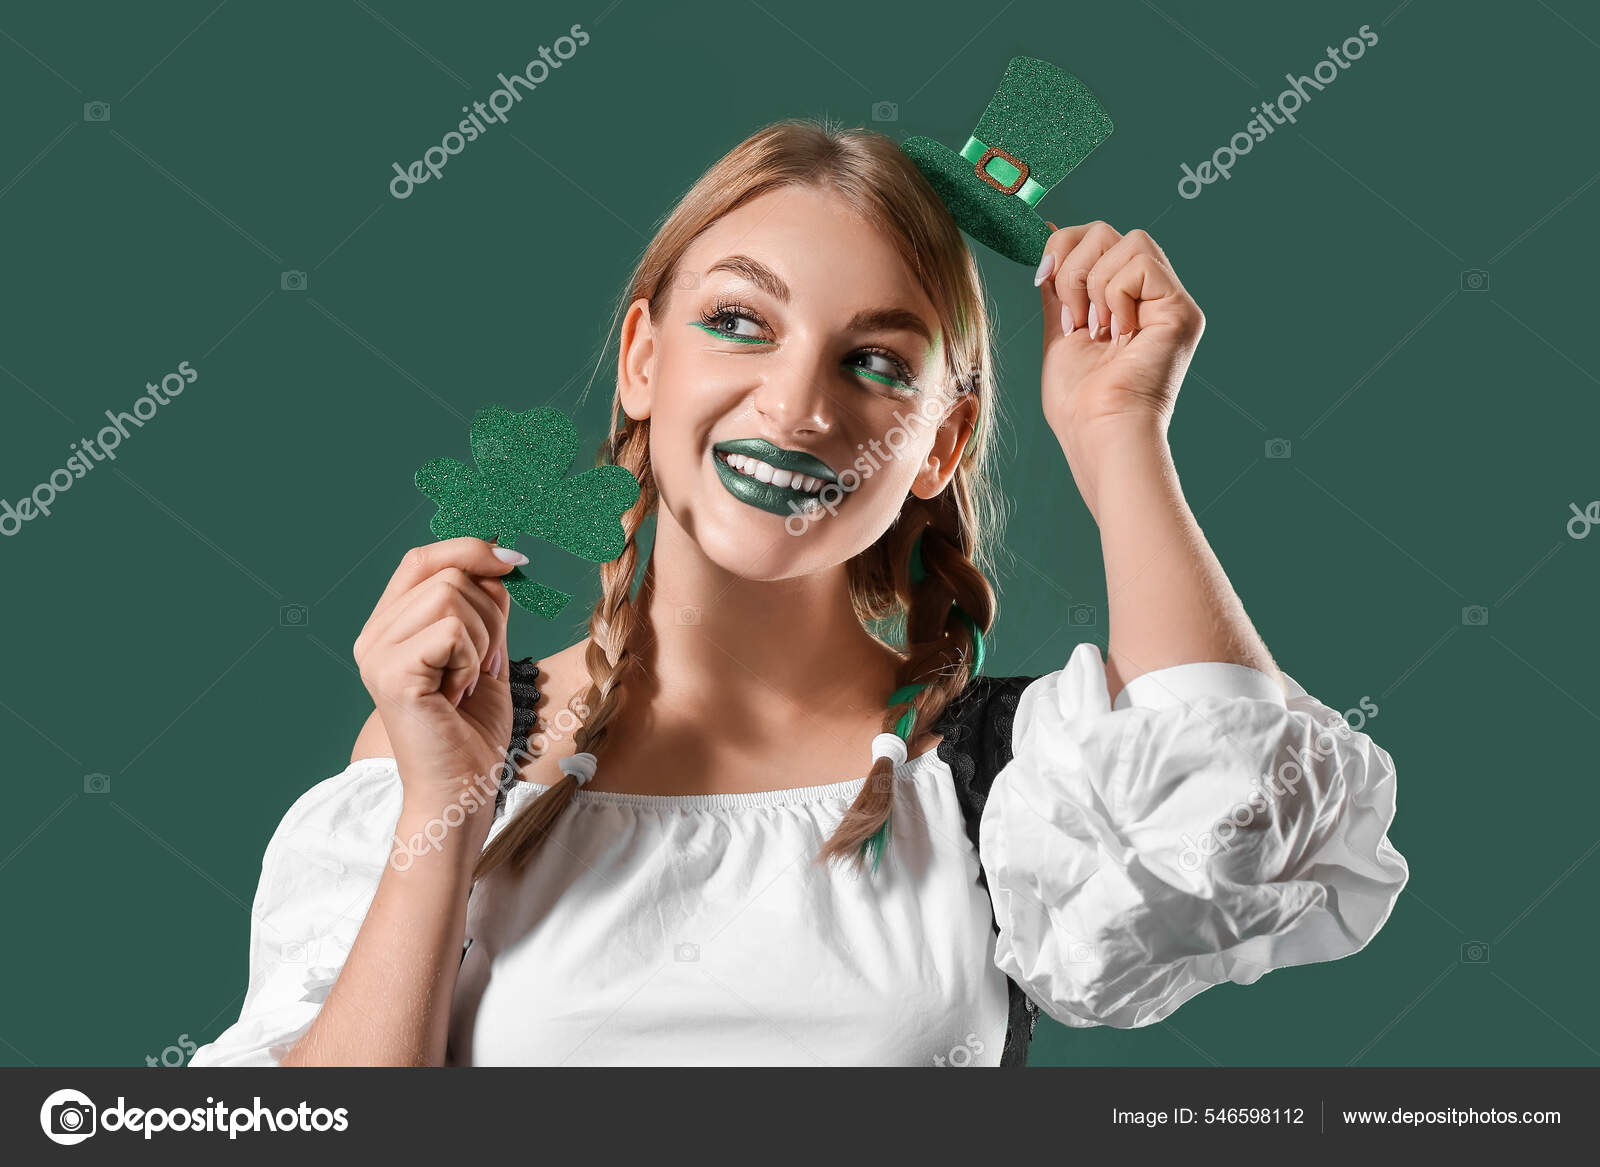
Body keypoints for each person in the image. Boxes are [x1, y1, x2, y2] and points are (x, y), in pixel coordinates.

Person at [190, 119, 1407, 1067]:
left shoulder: (997, 783)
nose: (797, 408)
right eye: (738, 322)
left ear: (939, 444)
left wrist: (1119, 429)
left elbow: (1241, 815)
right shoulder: (458, 752)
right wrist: (442, 813)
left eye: (875, 363)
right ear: (643, 361)